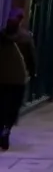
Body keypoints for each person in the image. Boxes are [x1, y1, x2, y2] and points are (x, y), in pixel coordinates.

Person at [0, 12, 30, 150]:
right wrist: (32, 72)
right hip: (17, 80)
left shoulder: (1, 36)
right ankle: (6, 129)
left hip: (2, 78)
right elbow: (31, 57)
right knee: (12, 108)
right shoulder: (25, 37)